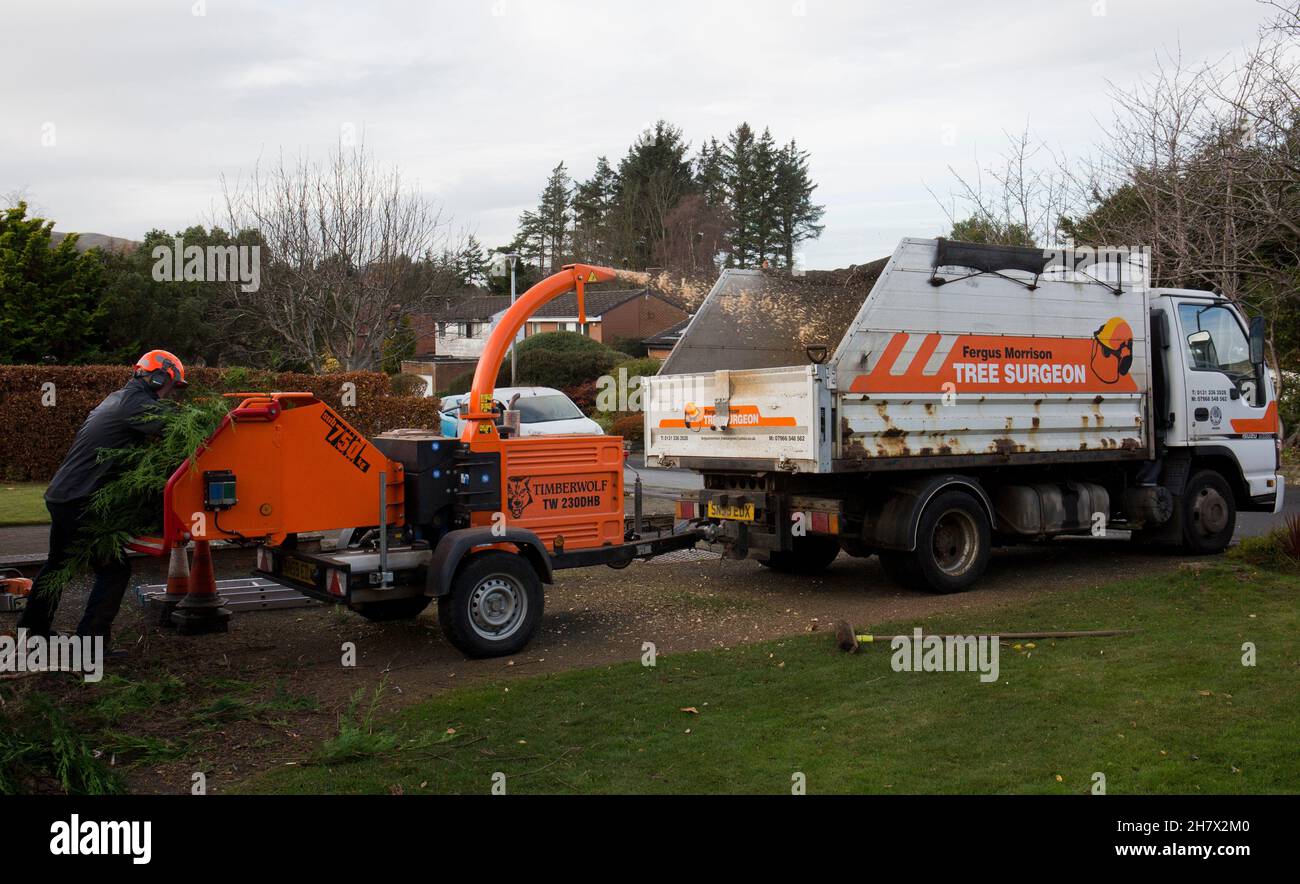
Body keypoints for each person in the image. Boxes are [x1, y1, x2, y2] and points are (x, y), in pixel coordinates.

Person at [18, 350, 188, 645]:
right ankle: (91, 642)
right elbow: (177, 425)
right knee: (115, 571)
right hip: (81, 501)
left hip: (63, 496)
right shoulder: (135, 404)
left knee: (58, 564)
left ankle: (32, 629)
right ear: (159, 376)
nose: (170, 393)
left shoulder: (117, 398)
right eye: (171, 386)